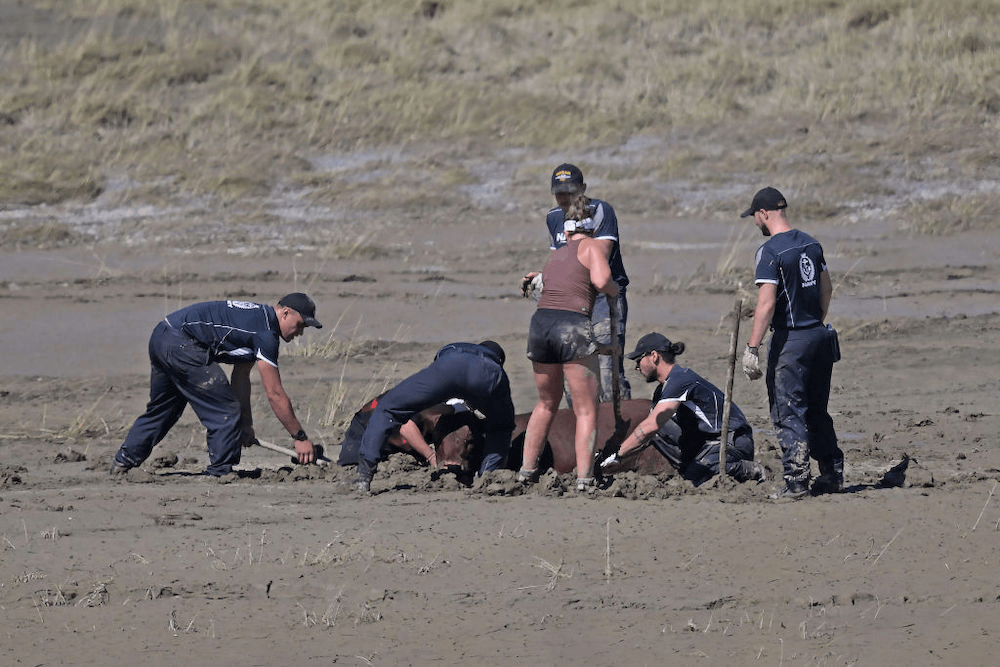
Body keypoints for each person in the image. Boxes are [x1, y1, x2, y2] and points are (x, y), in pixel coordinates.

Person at [110, 293, 323, 477]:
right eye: (301, 325)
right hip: (181, 343)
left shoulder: (258, 321)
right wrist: (300, 437)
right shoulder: (266, 333)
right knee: (225, 410)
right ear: (285, 313)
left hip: (163, 335)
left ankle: (123, 462)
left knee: (165, 409)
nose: (300, 332)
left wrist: (246, 425)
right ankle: (221, 473)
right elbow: (274, 393)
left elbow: (241, 377)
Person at [740, 187, 843, 500]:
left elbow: (766, 303)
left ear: (763, 214)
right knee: (817, 410)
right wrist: (815, 322)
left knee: (788, 411)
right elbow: (826, 289)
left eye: (754, 217)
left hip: (791, 342)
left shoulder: (769, 252)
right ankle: (831, 474)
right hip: (819, 336)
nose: (755, 223)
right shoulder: (811, 243)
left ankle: (796, 482)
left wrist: (752, 347)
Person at [519, 194, 620, 492]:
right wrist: (614, 289)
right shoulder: (592, 247)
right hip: (571, 327)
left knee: (546, 403)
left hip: (541, 326)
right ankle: (585, 479)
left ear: (565, 230)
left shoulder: (557, 255)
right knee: (586, 409)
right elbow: (601, 281)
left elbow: (549, 288)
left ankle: (527, 471)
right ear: (592, 229)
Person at [523, 163, 631, 404]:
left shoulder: (601, 211)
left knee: (608, 372)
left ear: (583, 188)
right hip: (572, 303)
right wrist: (542, 278)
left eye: (569, 191)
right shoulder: (553, 217)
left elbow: (598, 261)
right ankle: (582, 423)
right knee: (575, 377)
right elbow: (564, 262)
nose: (564, 197)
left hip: (604, 299)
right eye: (558, 192)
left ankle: (618, 422)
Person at [598, 332, 767, 484]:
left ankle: (750, 469)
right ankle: (692, 465)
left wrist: (619, 453)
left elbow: (651, 425)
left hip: (732, 441)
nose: (637, 367)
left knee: (701, 476)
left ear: (654, 356)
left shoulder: (680, 380)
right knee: (659, 432)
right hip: (706, 442)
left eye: (638, 360)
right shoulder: (662, 390)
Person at [353, 340, 515, 494]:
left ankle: (364, 476)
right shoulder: (495, 364)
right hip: (490, 373)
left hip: (448, 365)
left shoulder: (453, 348)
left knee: (388, 409)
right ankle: (488, 476)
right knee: (501, 427)